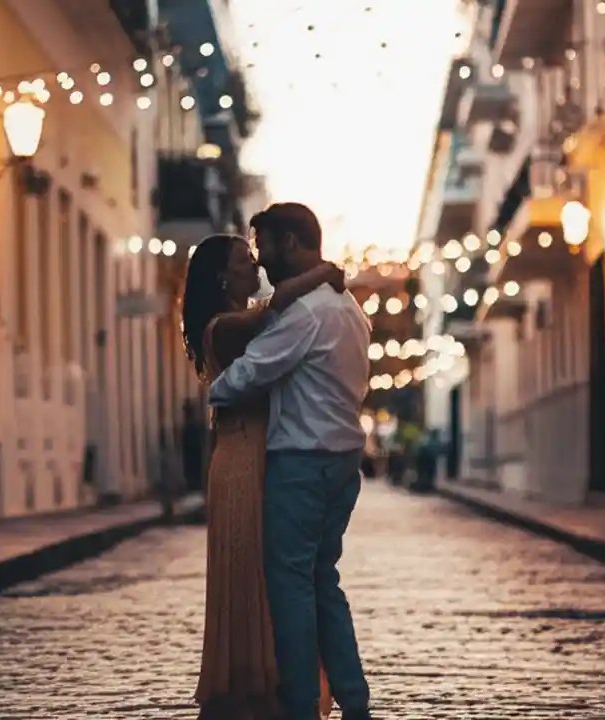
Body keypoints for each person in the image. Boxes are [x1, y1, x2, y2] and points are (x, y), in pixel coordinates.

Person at [208, 203, 373, 720]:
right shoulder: (350, 310)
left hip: (301, 462)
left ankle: (301, 707)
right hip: (345, 461)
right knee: (324, 580)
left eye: (265, 246)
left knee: (292, 588)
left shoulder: (304, 314)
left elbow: (245, 376)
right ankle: (356, 699)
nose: (260, 261)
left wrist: (217, 387)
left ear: (291, 244)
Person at [182, 233, 344, 719]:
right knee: (253, 569)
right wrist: (321, 273)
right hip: (242, 461)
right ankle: (253, 688)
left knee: (267, 572)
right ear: (223, 276)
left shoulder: (235, 325)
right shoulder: (224, 327)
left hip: (256, 455)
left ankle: (269, 681)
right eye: (244, 260)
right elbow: (271, 310)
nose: (254, 265)